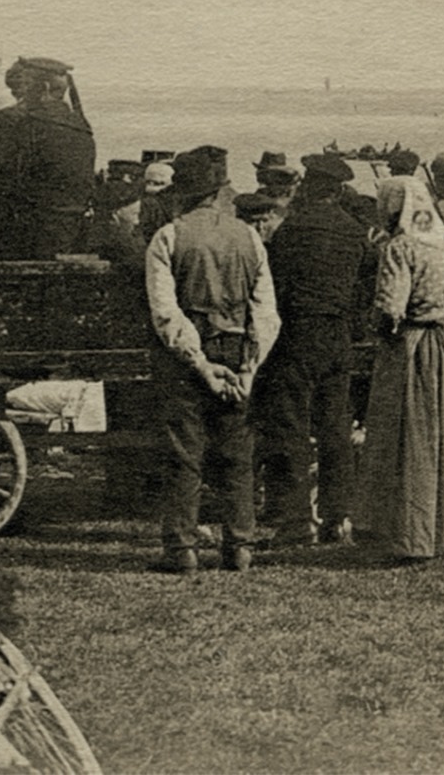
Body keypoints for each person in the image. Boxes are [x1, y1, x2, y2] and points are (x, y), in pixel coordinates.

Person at [144, 147, 279, 573]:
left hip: (186, 358)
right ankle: (240, 545)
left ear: (180, 194)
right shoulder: (249, 237)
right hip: (237, 351)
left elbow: (165, 311)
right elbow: (265, 311)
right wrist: (249, 368)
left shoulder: (167, 237)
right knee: (236, 452)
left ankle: (182, 549)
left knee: (184, 451)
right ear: (220, 191)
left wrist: (199, 363)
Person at [355, 176, 444, 562]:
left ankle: (412, 534)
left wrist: (376, 330)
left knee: (413, 438)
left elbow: (390, 308)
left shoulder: (399, 248)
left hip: (415, 350)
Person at [254, 153, 368, 548]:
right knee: (336, 426)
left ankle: (296, 520)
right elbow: (364, 285)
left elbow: (276, 287)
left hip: (298, 332)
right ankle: (339, 516)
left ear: (312, 187)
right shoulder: (354, 231)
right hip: (338, 333)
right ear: (337, 190)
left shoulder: (293, 229)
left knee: (291, 426)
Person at [0, 57, 97, 259]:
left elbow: (1, 179)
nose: (20, 96)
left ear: (44, 87)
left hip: (26, 236)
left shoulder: (17, 121)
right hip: (69, 232)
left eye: (24, 88)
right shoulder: (81, 126)